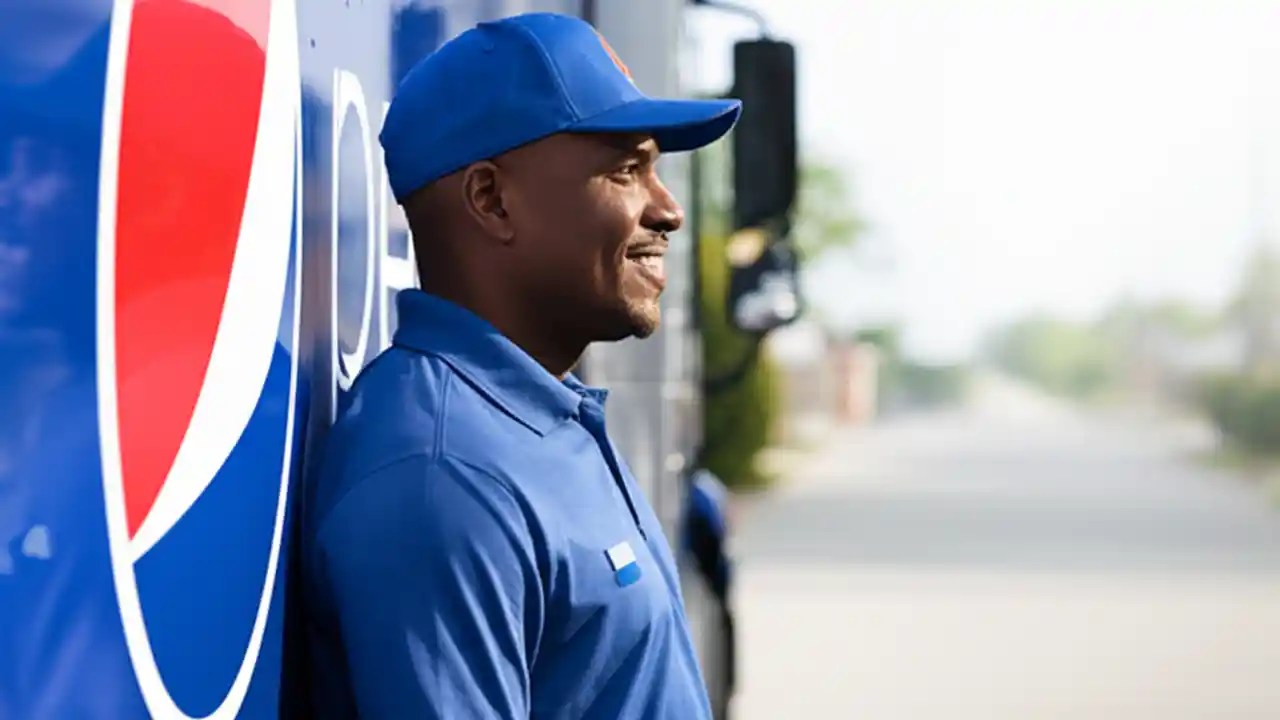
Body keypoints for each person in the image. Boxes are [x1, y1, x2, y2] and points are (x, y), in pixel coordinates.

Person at [299, 12, 741, 720]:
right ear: (490, 199)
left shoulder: (538, 417)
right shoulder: (442, 476)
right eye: (628, 171)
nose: (669, 210)